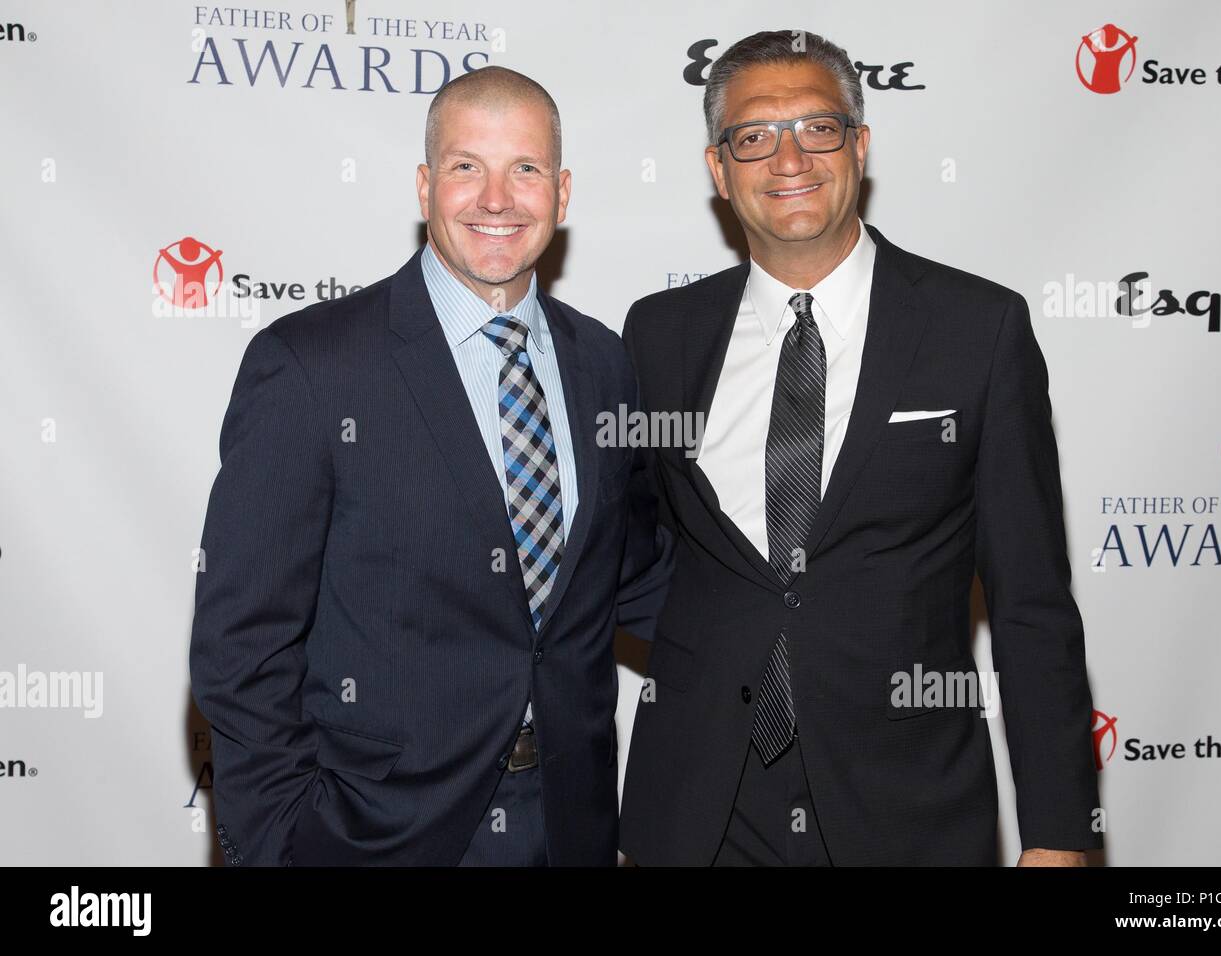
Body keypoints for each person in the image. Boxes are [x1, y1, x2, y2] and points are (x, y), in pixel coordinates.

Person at [618, 30, 1103, 866]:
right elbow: (633, 550)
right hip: (699, 806)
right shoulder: (659, 333)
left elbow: (1031, 604)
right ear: (718, 167)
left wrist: (1059, 837)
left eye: (818, 127)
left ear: (860, 145)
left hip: (907, 804)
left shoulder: (977, 329)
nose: (789, 158)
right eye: (754, 136)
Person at [190, 65, 670, 866]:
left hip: (570, 825)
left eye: (525, 168)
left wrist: (807, 636)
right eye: (465, 167)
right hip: (376, 834)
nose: (496, 198)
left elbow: (637, 572)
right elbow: (242, 641)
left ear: (563, 189)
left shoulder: (604, 365)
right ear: (423, 186)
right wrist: (284, 840)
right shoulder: (312, 367)